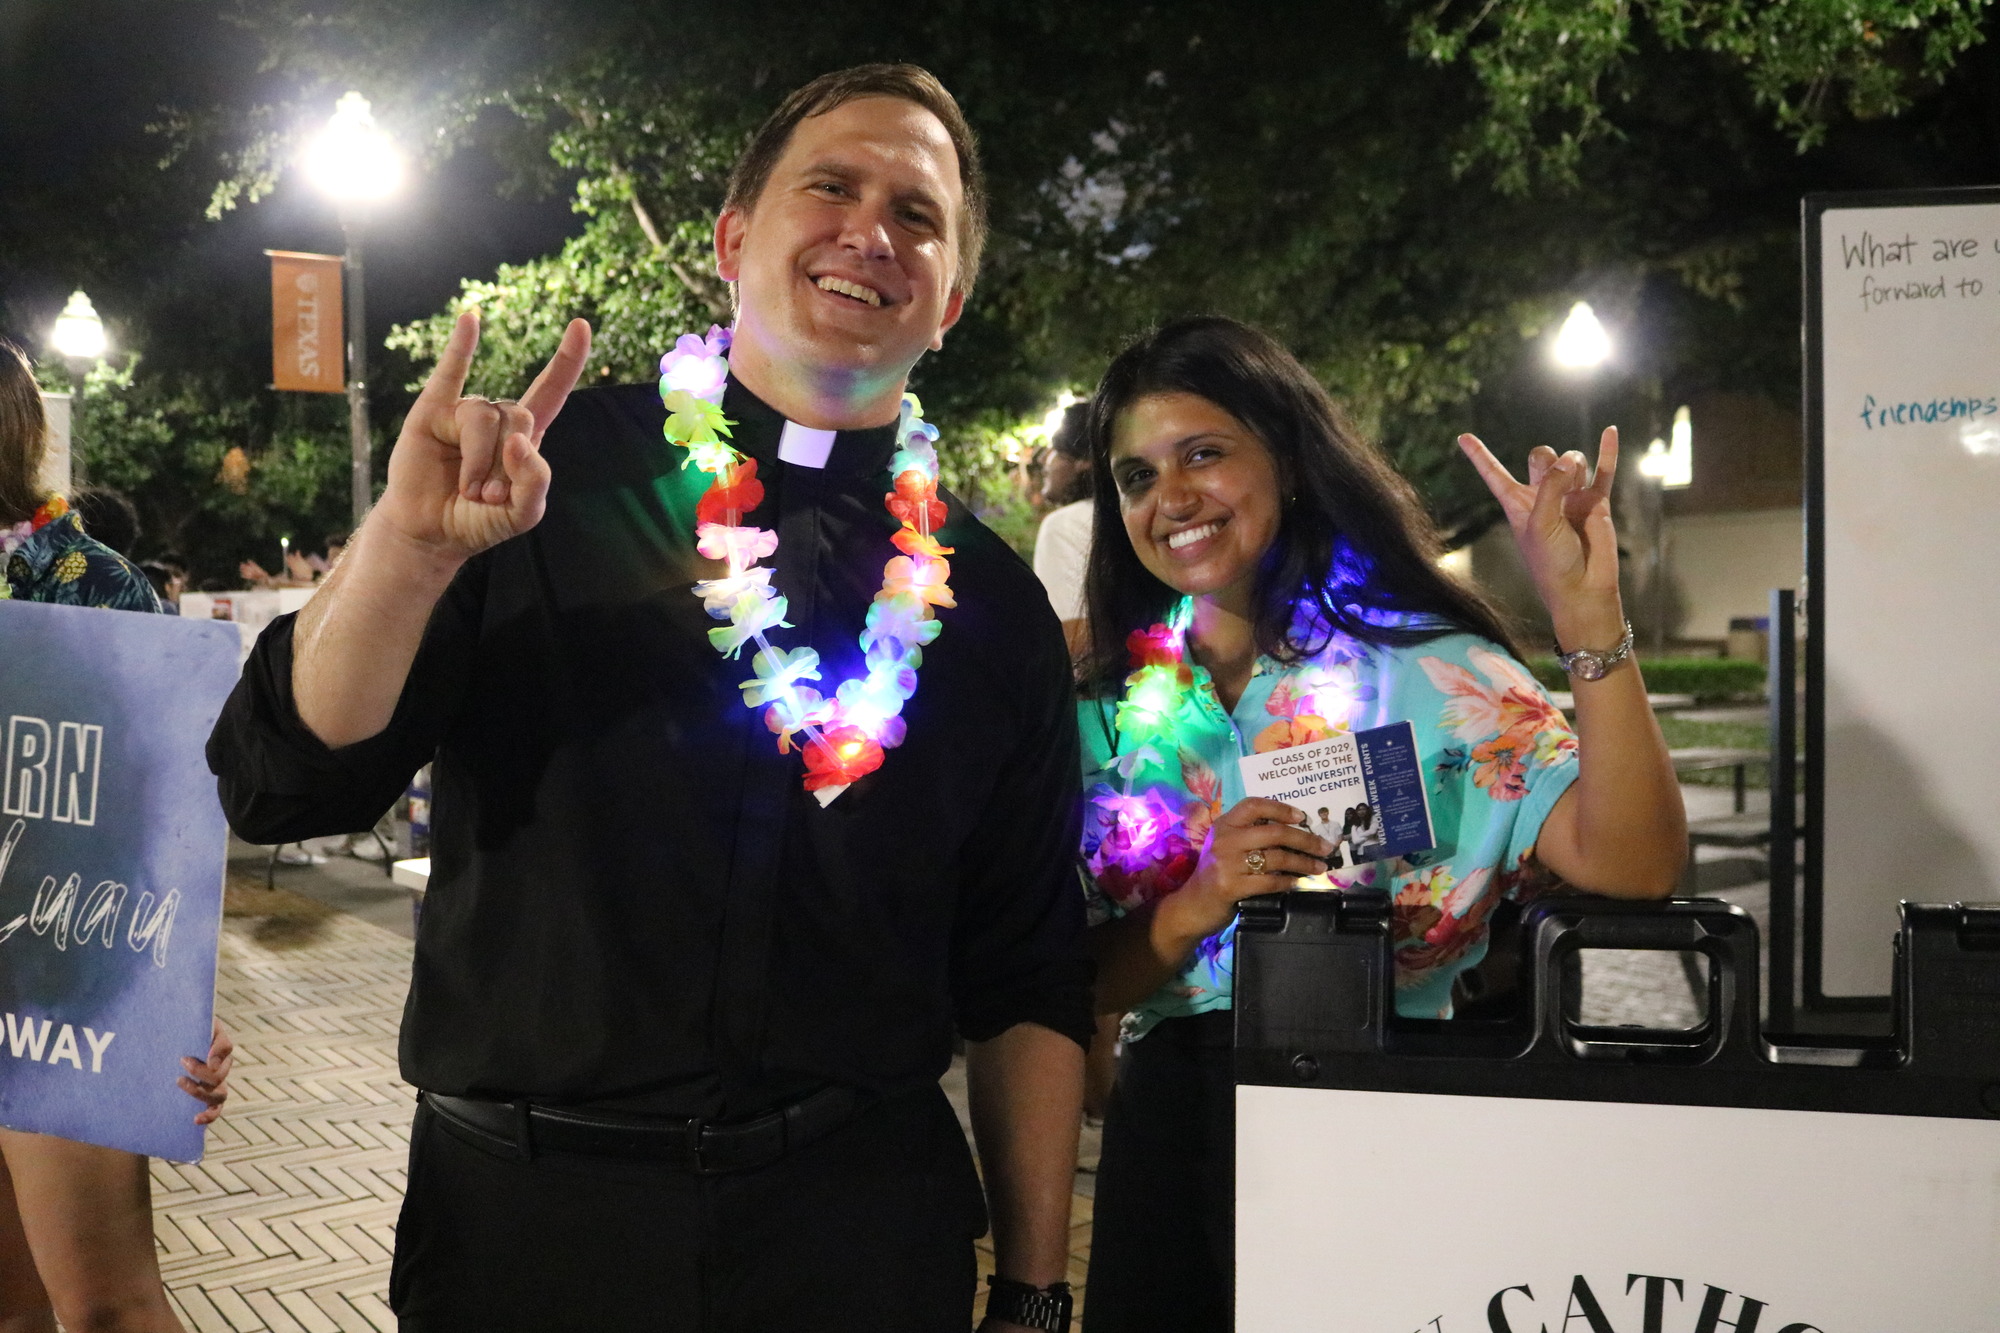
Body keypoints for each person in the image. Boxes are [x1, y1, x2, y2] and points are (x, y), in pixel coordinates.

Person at [207, 64, 1088, 1333]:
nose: (871, 233)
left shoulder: (991, 604)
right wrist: (406, 547)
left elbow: (1023, 971)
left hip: (853, 1239)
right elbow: (286, 780)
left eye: (918, 214)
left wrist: (1034, 1290)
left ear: (947, 299)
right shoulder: (529, 481)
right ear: (735, 239)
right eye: (830, 186)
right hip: (523, 1229)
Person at [1070, 317, 1685, 1332]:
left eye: (1204, 453)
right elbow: (1076, 981)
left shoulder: (1425, 672)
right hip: (1172, 1130)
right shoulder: (1105, 706)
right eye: (1134, 476)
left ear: (1290, 460)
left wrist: (1587, 624)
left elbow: (1635, 862)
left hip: (1386, 1112)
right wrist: (1192, 904)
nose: (1168, 497)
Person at [0, 338, 237, 1333]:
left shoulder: (79, 580)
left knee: (105, 1307)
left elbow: (158, 807)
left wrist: (172, 997)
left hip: (59, 988)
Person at [1031, 400, 1094, 655]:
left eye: (1054, 448)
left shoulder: (1065, 525)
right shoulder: (1128, 515)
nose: (1044, 459)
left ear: (1083, 461)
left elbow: (1072, 640)